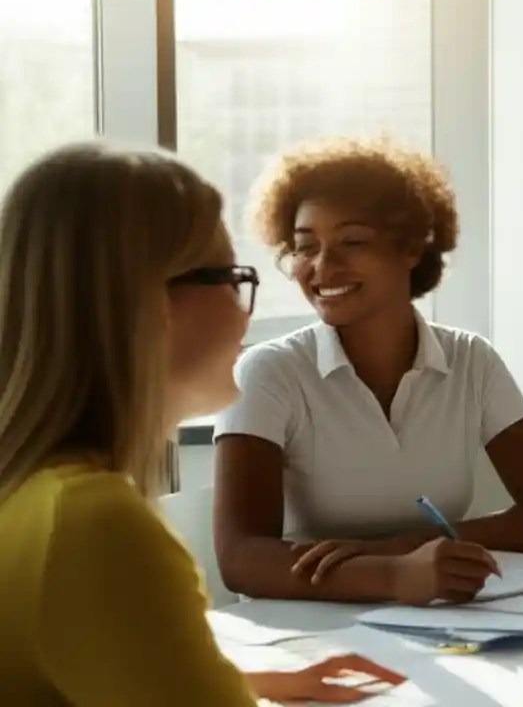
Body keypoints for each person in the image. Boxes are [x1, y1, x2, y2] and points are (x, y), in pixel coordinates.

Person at [0, 143, 403, 704]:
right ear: (147, 298)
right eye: (231, 276)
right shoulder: (94, 526)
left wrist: (263, 684)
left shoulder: (34, 497)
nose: (247, 310)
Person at [213, 137, 523, 603]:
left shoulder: (472, 360)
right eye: (306, 247)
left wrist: (412, 548)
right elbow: (241, 557)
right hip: (307, 627)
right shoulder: (268, 372)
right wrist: (393, 572)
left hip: (440, 617)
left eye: (352, 242)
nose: (323, 267)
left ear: (411, 249)